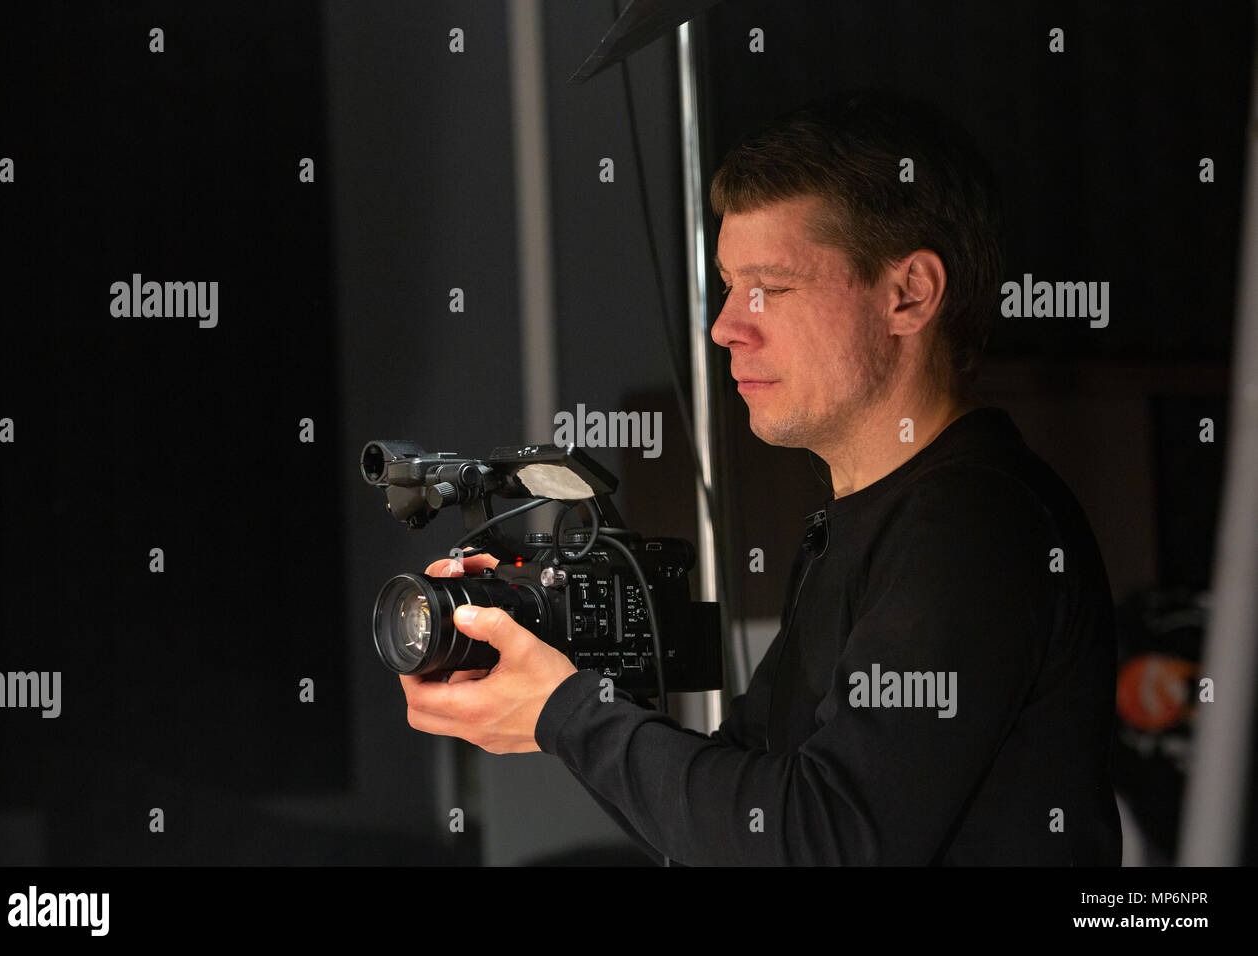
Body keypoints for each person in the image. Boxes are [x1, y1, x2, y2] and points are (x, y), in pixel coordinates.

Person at [401, 89, 1123, 865]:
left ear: (908, 293)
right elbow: (740, 814)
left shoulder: (974, 525)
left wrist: (566, 713)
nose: (725, 326)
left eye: (770, 289)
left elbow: (820, 840)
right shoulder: (867, 519)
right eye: (726, 283)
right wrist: (548, 658)